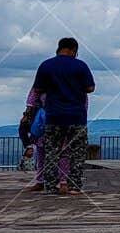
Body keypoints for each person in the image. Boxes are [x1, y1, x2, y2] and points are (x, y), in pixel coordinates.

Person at [31, 37, 95, 195]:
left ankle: (51, 186)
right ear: (74, 50)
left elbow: (37, 89)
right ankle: (74, 186)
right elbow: (90, 87)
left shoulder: (46, 65)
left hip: (53, 116)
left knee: (51, 152)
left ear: (58, 48)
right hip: (76, 116)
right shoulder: (81, 65)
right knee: (77, 153)